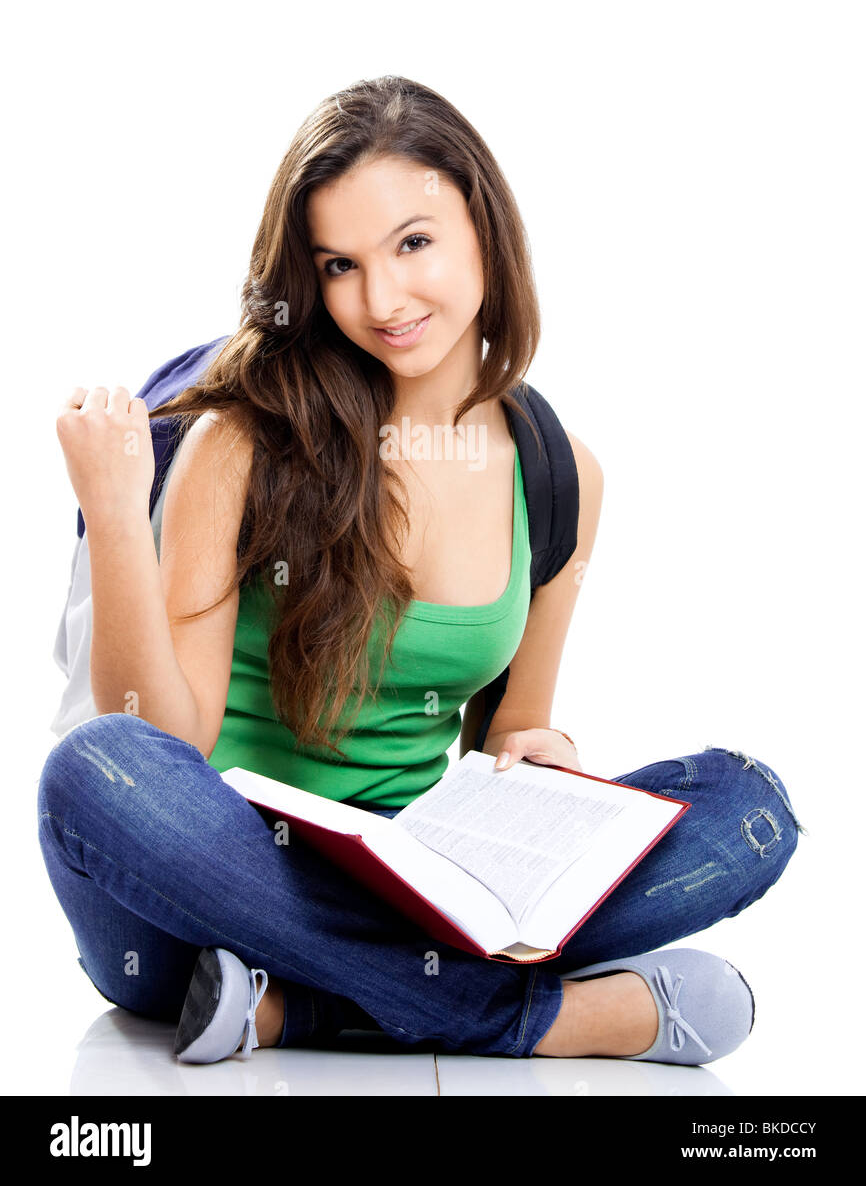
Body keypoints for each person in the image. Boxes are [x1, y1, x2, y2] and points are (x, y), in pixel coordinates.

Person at [38, 75, 804, 1065]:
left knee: (746, 809)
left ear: (483, 228)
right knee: (94, 772)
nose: (383, 299)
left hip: (412, 878)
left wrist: (544, 750)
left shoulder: (557, 472)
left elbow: (505, 737)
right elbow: (158, 733)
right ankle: (523, 1018)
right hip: (201, 885)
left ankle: (300, 1007)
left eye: (412, 243)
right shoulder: (244, 440)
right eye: (340, 265)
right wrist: (113, 511)